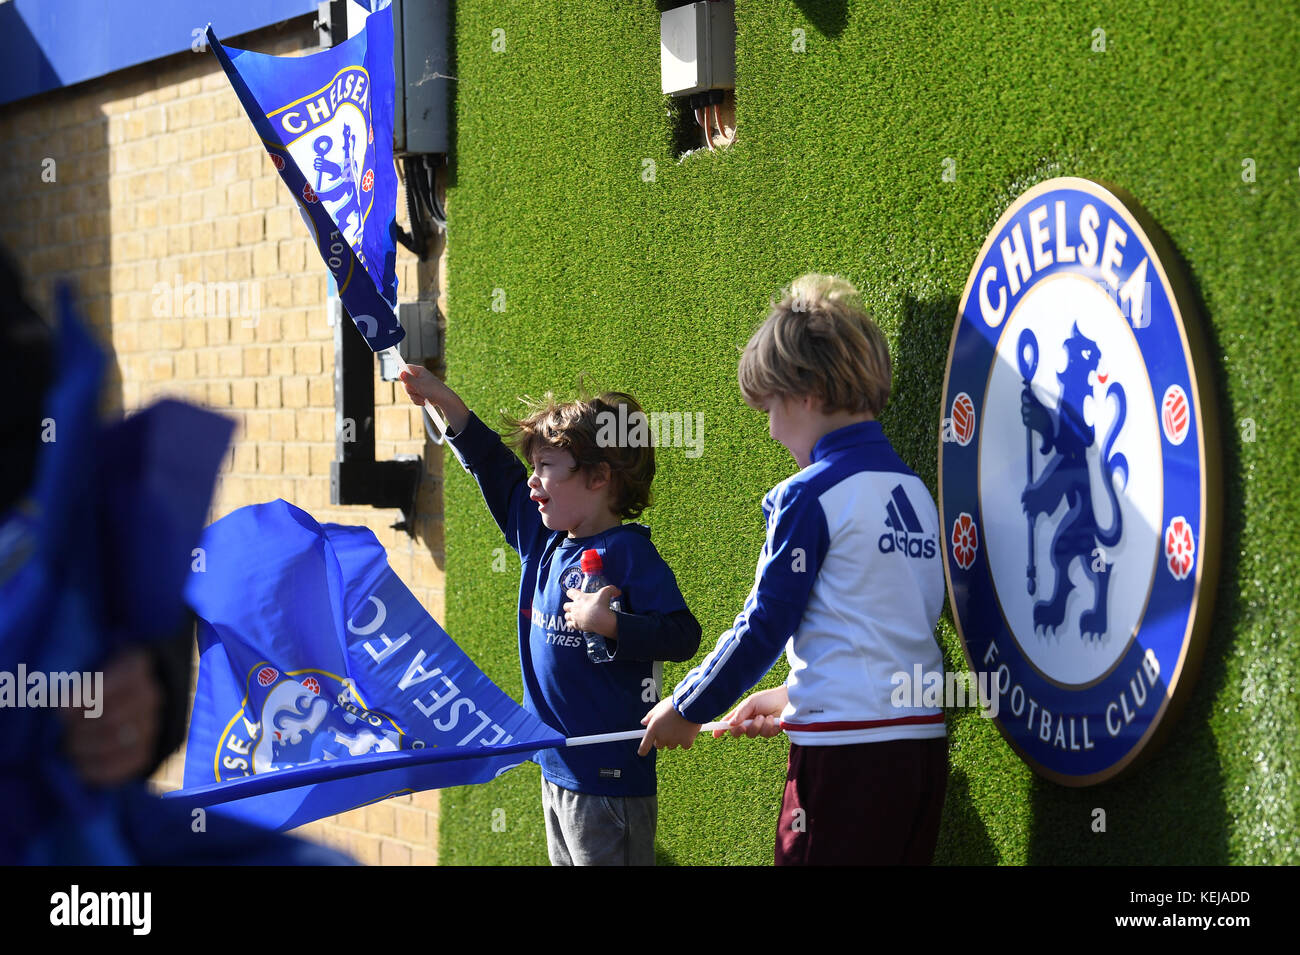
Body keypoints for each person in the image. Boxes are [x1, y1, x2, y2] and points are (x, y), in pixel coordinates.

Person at [638, 273, 949, 865]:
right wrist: (789, 696)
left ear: (806, 392)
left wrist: (686, 705)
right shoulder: (912, 491)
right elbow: (878, 629)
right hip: (921, 753)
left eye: (771, 409)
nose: (774, 430)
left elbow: (763, 624)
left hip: (844, 764)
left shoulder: (807, 495)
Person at [400, 366, 702, 866]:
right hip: (555, 767)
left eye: (545, 467)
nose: (532, 482)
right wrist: (443, 400)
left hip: (609, 782)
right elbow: (491, 466)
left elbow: (682, 635)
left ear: (599, 477)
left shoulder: (629, 554)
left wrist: (611, 625)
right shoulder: (542, 541)